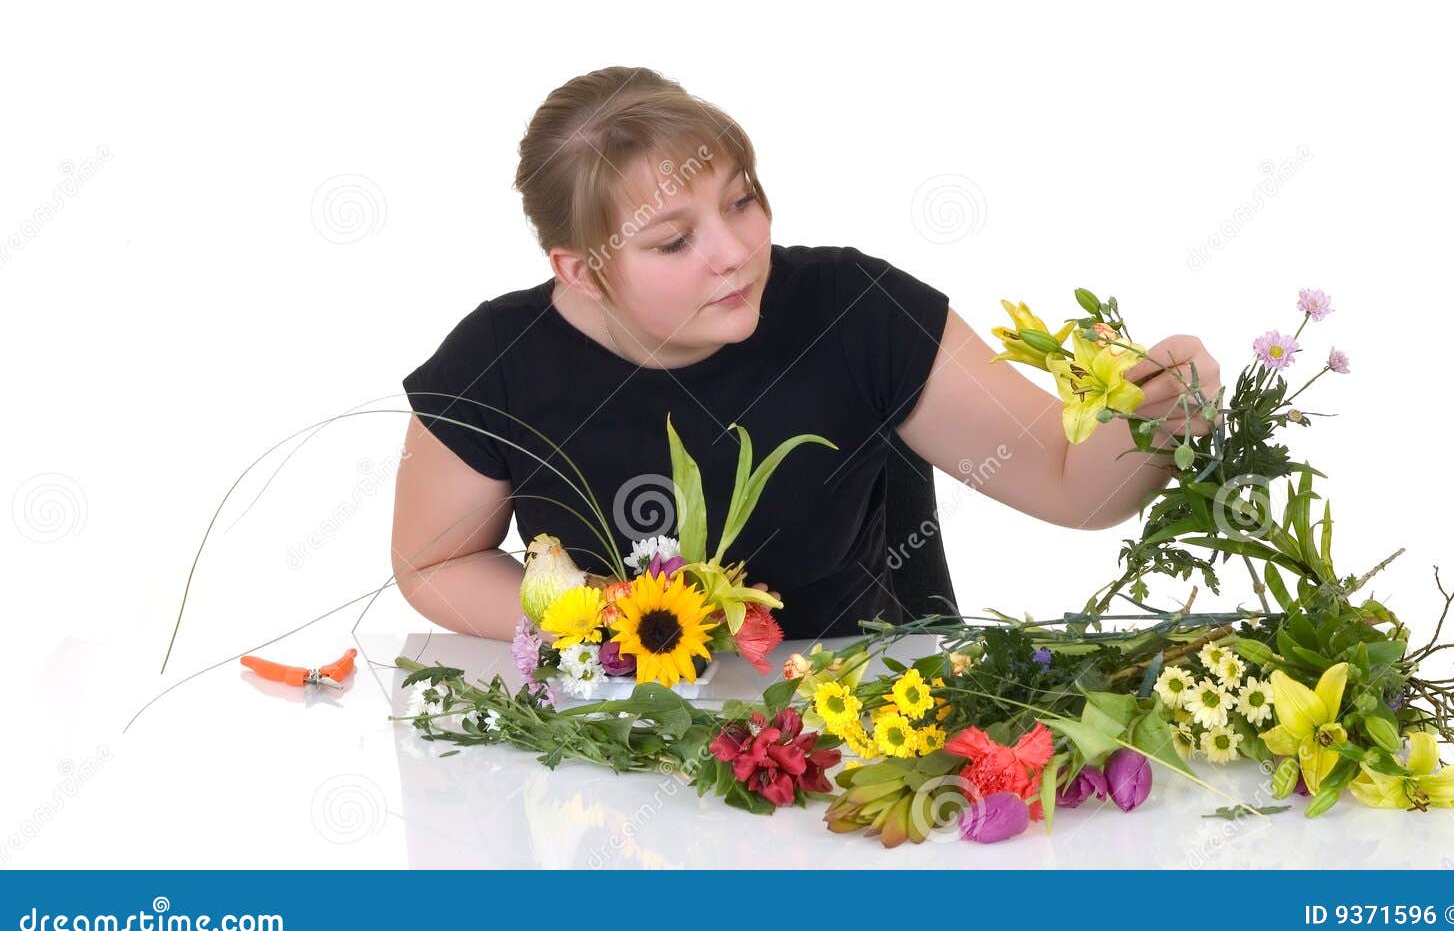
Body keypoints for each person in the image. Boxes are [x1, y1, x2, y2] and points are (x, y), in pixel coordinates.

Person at [392, 66, 1220, 642]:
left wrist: (1157, 414)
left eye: (743, 201)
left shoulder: (857, 313)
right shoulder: (497, 361)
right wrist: (598, 621)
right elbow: (434, 561)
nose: (735, 252)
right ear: (580, 269)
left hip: (862, 730)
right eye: (675, 241)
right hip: (616, 746)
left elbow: (1072, 482)